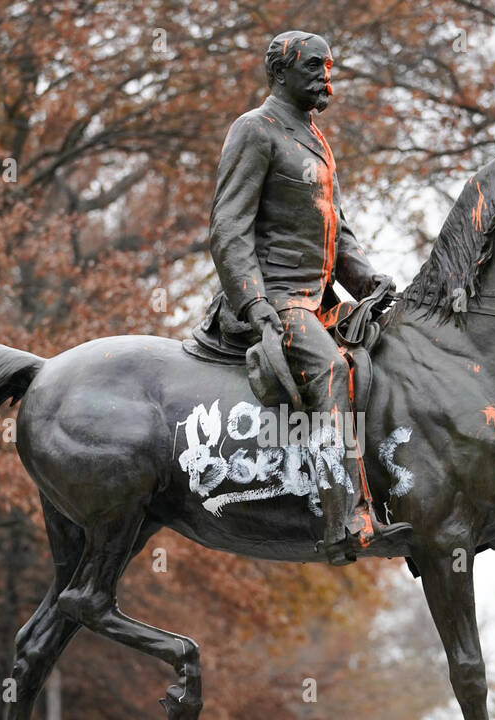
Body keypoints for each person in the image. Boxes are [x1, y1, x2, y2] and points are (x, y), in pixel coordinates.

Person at [209, 30, 411, 565]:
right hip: (277, 300)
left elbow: (337, 232)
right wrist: (257, 308)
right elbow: (227, 230)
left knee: (396, 348)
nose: (328, 78)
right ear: (281, 73)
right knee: (329, 369)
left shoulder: (316, 139)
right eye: (317, 67)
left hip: (319, 300)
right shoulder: (255, 130)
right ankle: (344, 518)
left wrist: (370, 284)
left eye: (330, 67)